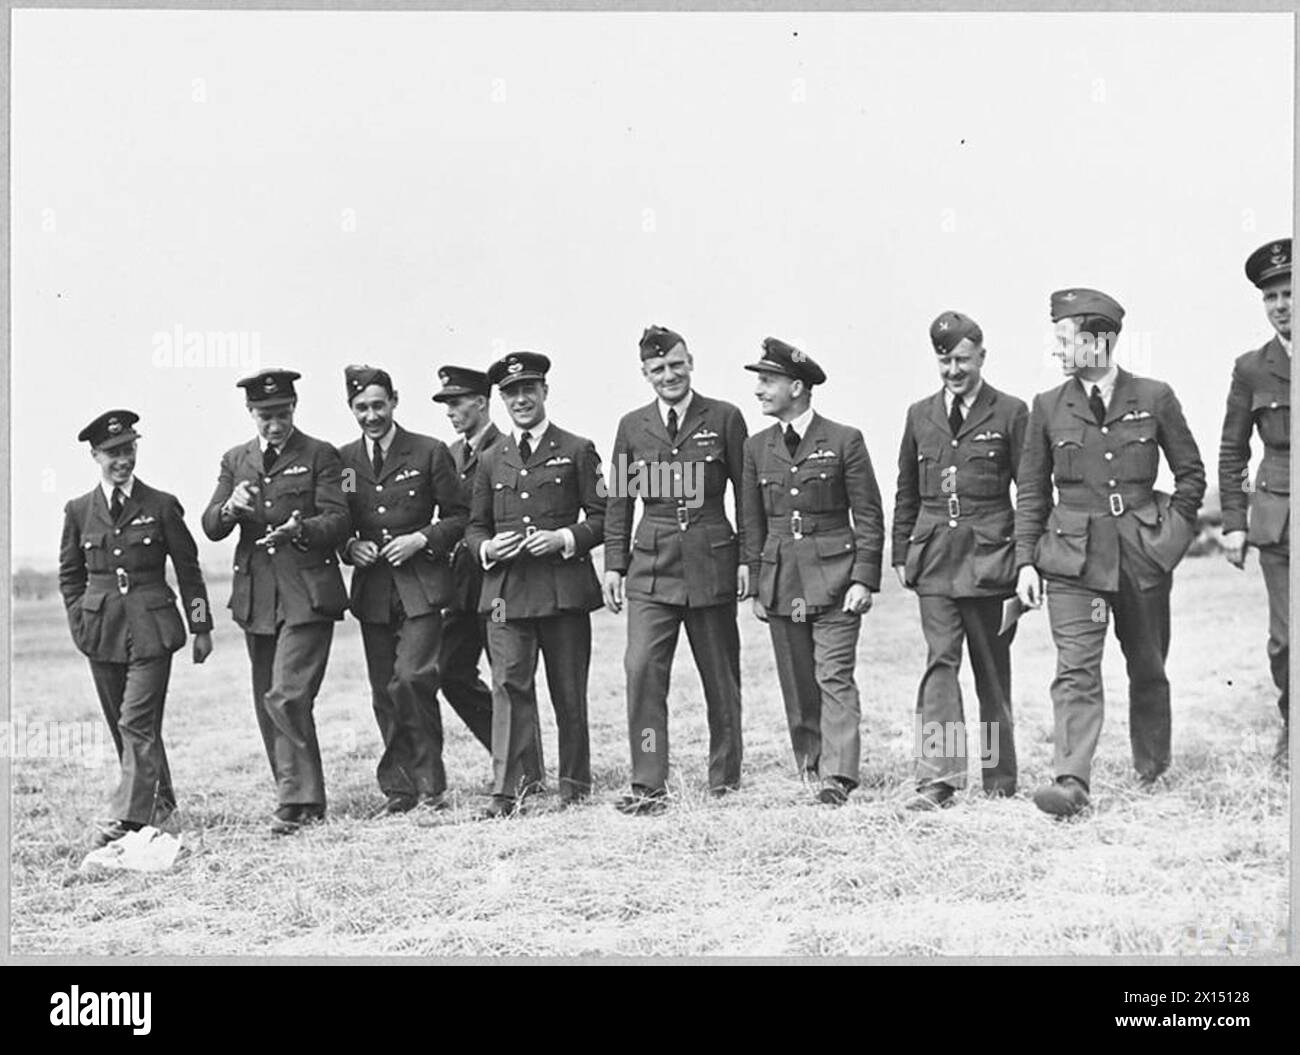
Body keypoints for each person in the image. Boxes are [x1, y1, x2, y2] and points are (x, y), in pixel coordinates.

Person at [1015, 289, 1206, 817]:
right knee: (1075, 669)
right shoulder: (1048, 406)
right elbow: (1032, 490)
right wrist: (1027, 561)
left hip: (1141, 555)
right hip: (1073, 559)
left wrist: (1171, 534)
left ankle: (1152, 764)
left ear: (1099, 340)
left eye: (1064, 339)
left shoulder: (1155, 395)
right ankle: (1071, 782)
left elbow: (1191, 475)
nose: (1056, 351)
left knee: (1147, 665)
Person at [603, 325, 749, 816]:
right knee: (641, 668)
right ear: (644, 374)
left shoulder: (725, 418)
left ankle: (725, 778)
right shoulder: (632, 425)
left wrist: (748, 558)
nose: (669, 375)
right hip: (652, 562)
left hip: (710, 557)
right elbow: (619, 501)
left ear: (691, 363)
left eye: (676, 365)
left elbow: (745, 496)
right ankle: (648, 783)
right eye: (658, 369)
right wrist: (614, 565)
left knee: (720, 674)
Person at [201, 369, 351, 835]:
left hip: (308, 595)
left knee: (286, 694)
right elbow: (211, 525)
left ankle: (297, 801)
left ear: (294, 409)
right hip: (257, 600)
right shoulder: (235, 460)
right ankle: (298, 795)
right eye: (265, 415)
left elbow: (340, 520)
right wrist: (231, 509)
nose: (274, 424)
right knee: (270, 699)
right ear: (251, 413)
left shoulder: (322, 455)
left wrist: (301, 528)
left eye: (282, 414)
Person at [740, 337, 884, 807]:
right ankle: (812, 765)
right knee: (798, 681)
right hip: (782, 579)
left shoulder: (844, 440)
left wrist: (864, 577)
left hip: (837, 578)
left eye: (768, 380)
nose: (759, 390)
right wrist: (759, 586)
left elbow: (868, 514)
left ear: (796, 387)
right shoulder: (756, 447)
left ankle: (838, 776)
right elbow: (752, 522)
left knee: (834, 676)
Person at [59, 410, 213, 847]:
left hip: (153, 628)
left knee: (136, 722)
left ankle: (128, 818)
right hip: (101, 630)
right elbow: (70, 575)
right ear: (94, 455)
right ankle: (161, 805)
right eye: (112, 453)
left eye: (128, 450)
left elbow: (189, 571)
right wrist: (79, 619)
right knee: (122, 726)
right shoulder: (77, 511)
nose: (122, 460)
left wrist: (201, 626)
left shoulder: (161, 504)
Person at [892, 312, 1027, 810]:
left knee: (991, 672)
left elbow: (1029, 490)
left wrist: (1026, 559)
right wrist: (902, 551)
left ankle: (999, 780)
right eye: (945, 360)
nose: (953, 370)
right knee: (940, 665)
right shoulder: (918, 413)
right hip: (933, 560)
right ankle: (939, 780)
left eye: (962, 360)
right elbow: (906, 487)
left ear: (982, 358)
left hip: (991, 559)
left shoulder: (1011, 412)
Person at [464, 352, 606, 818]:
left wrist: (564, 538)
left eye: (528, 389)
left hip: (563, 591)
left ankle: (574, 785)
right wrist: (487, 550)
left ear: (545, 391)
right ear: (501, 400)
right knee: (508, 685)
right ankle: (508, 791)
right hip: (505, 596)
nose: (520, 399)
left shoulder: (578, 448)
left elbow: (605, 517)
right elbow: (474, 527)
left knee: (569, 690)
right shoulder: (489, 459)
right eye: (510, 393)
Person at [337, 365, 468, 814]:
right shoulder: (344, 463)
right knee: (384, 690)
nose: (371, 415)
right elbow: (338, 520)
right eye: (361, 408)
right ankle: (399, 787)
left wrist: (422, 539)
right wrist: (349, 545)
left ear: (394, 401)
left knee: (413, 679)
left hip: (422, 588)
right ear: (351, 409)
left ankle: (431, 782)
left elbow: (460, 517)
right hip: (373, 592)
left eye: (378, 405)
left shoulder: (429, 452)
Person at [432, 365, 546, 795]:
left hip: (504, 583)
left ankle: (525, 775)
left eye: (456, 403)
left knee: (508, 678)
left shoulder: (509, 446)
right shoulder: (449, 454)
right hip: (462, 587)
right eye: (446, 405)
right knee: (450, 672)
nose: (450, 412)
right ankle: (511, 757)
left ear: (481, 402)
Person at [1218, 238, 1291, 768]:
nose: (1282, 305)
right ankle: (1294, 727)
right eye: (1271, 297)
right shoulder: (1251, 368)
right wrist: (1234, 523)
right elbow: (1233, 451)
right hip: (1281, 521)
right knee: (1287, 640)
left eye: (1290, 292)